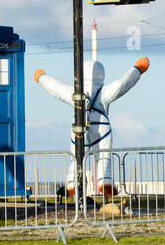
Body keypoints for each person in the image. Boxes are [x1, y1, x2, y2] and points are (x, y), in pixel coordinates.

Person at [34, 57, 150, 197]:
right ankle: (105, 181)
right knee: (103, 156)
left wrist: (41, 77)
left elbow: (56, 88)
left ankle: (72, 183)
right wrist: (137, 69)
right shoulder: (104, 91)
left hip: (78, 125)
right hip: (101, 126)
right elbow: (122, 84)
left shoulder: (74, 92)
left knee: (76, 157)